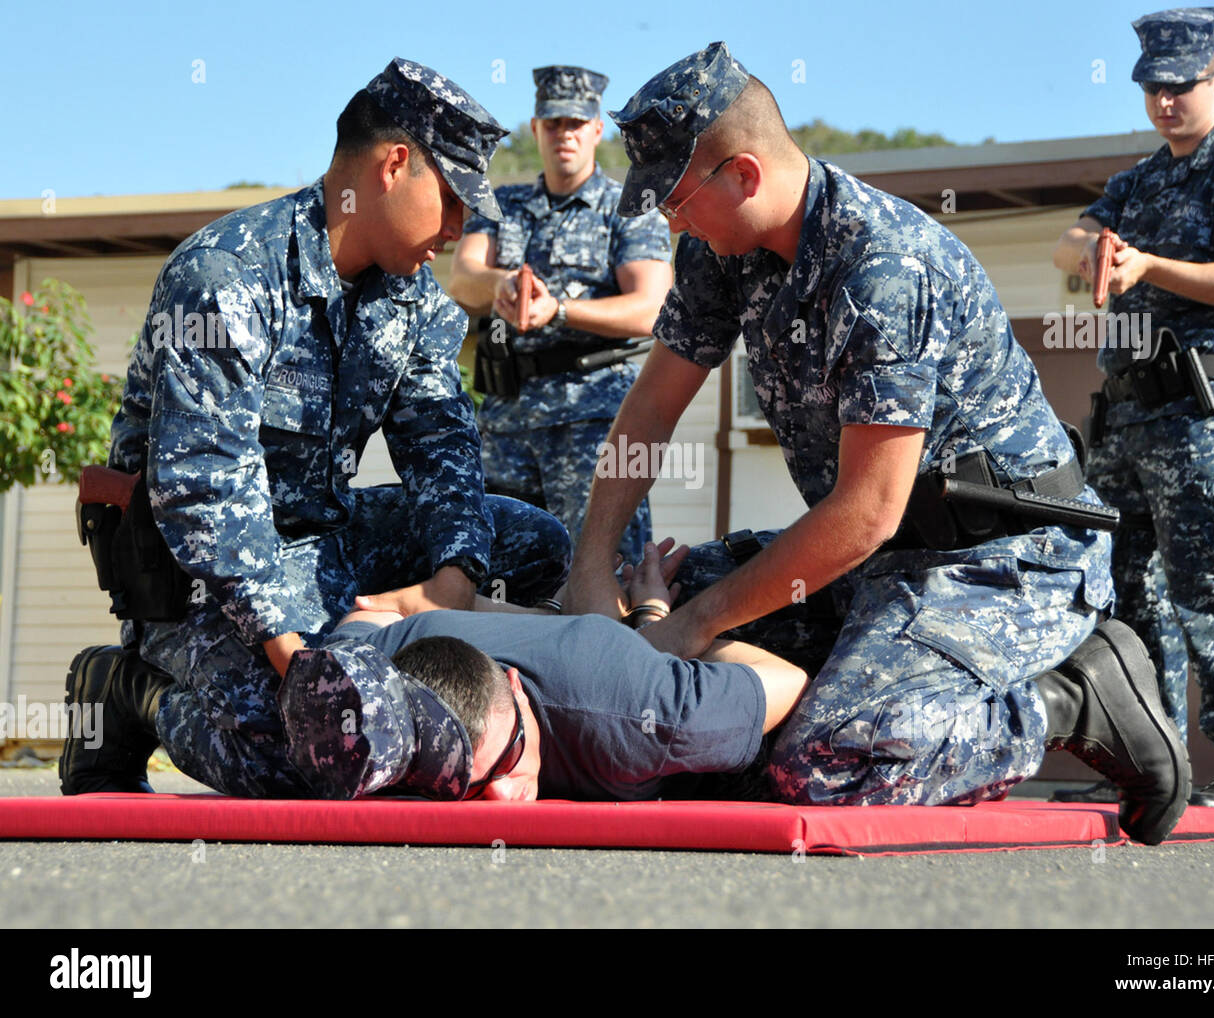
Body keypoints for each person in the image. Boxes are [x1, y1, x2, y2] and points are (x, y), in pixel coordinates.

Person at [562, 42, 1191, 844]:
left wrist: (686, 632)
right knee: (648, 670)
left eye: (677, 201)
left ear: (745, 176)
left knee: (823, 762)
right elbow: (651, 408)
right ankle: (846, 680)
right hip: (872, 565)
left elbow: (866, 511)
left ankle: (1070, 695)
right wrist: (594, 567)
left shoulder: (883, 265)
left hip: (1003, 561)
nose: (669, 222)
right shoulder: (719, 251)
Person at [59, 58, 572, 801]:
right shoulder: (229, 275)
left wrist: (452, 583)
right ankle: (125, 685)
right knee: (295, 755)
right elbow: (200, 495)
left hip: (324, 542)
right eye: (454, 202)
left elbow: (442, 451)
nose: (461, 230)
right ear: (395, 166)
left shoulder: (414, 301)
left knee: (533, 543)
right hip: (198, 575)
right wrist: (300, 667)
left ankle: (399, 690)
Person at [1050, 8, 1214, 824]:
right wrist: (1094, 250)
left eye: (1180, 86)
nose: (1164, 102)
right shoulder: (1137, 181)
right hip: (1127, 420)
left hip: (1205, 413)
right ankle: (1150, 755)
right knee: (1124, 590)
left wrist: (1151, 262)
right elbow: (1067, 244)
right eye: (1152, 87)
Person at [281, 540, 809, 801]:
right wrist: (545, 617)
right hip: (576, 625)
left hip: (703, 619)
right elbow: (368, 615)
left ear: (512, 686)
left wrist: (661, 628)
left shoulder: (643, 719)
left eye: (508, 759)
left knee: (819, 756)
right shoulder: (379, 680)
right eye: (460, 784)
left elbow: (788, 680)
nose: (502, 796)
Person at [448, 65, 672, 564]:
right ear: (535, 129)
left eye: (575, 123)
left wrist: (560, 310)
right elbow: (462, 278)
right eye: (553, 124)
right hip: (507, 415)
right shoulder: (502, 205)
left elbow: (651, 309)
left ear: (596, 129)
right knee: (501, 572)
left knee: (601, 573)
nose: (564, 134)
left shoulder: (630, 209)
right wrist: (501, 284)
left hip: (594, 418)